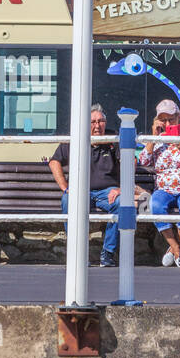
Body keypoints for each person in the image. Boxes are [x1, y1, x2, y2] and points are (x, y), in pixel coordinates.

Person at [49, 104, 122, 268]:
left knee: (121, 203)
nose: (97, 126)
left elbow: (130, 160)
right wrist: (65, 187)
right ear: (85, 124)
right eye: (93, 122)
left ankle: (108, 254)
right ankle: (78, 252)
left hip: (107, 191)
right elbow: (54, 162)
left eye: (101, 121)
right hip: (81, 191)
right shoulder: (75, 138)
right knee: (68, 200)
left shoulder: (114, 137)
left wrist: (121, 188)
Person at [139, 99, 180, 267]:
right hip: (164, 188)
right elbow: (144, 162)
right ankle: (177, 249)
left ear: (178, 118)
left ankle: (175, 250)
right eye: (163, 119)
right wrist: (152, 137)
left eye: (171, 119)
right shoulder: (157, 140)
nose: (167, 123)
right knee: (154, 205)